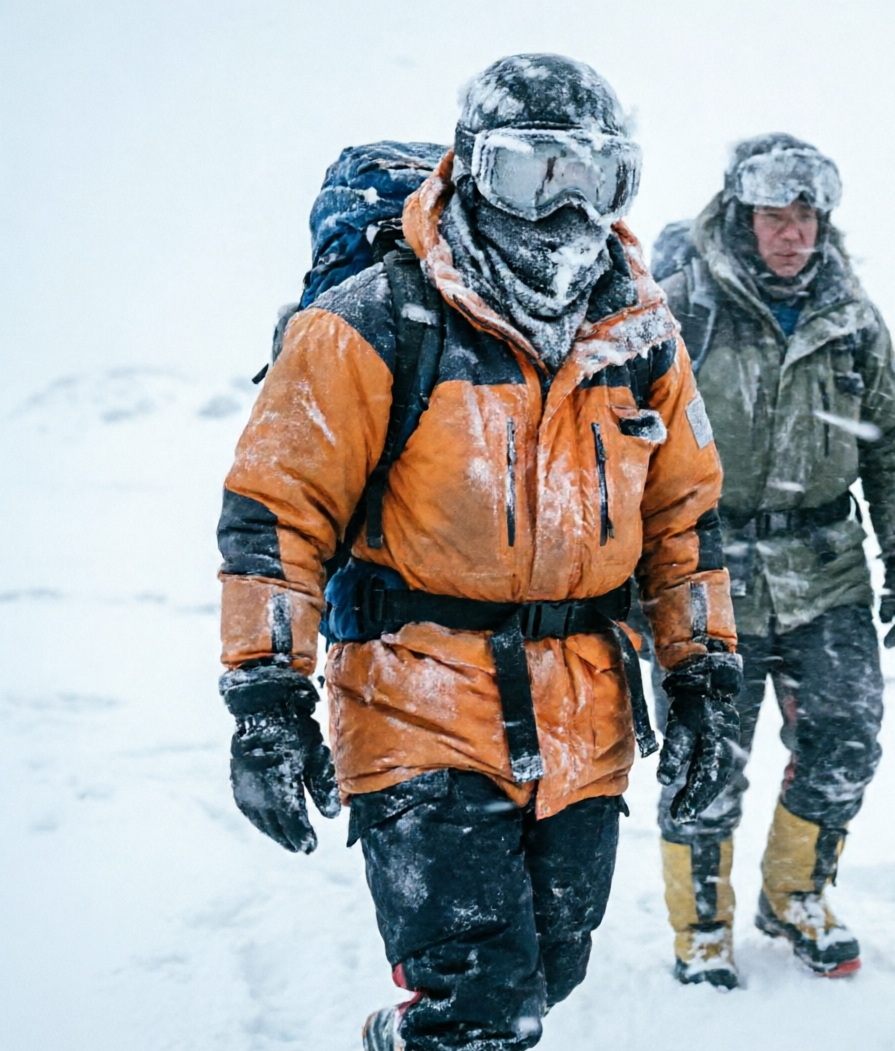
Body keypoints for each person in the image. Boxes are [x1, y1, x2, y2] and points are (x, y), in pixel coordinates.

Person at [215, 53, 740, 1051]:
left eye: (594, 176)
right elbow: (275, 516)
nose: (564, 208)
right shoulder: (371, 321)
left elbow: (684, 525)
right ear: (469, 168)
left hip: (586, 712)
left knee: (553, 969)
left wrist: (704, 680)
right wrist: (264, 703)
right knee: (489, 1008)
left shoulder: (640, 334)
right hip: (413, 702)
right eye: (531, 171)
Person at [651, 134, 895, 986]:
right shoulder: (679, 308)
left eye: (807, 214)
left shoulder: (851, 316)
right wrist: (624, 578)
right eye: (776, 213)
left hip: (827, 569)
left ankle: (794, 893)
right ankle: (701, 925)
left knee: (846, 740)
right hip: (706, 573)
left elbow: (894, 446)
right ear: (741, 212)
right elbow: (625, 451)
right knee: (706, 756)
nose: (793, 232)